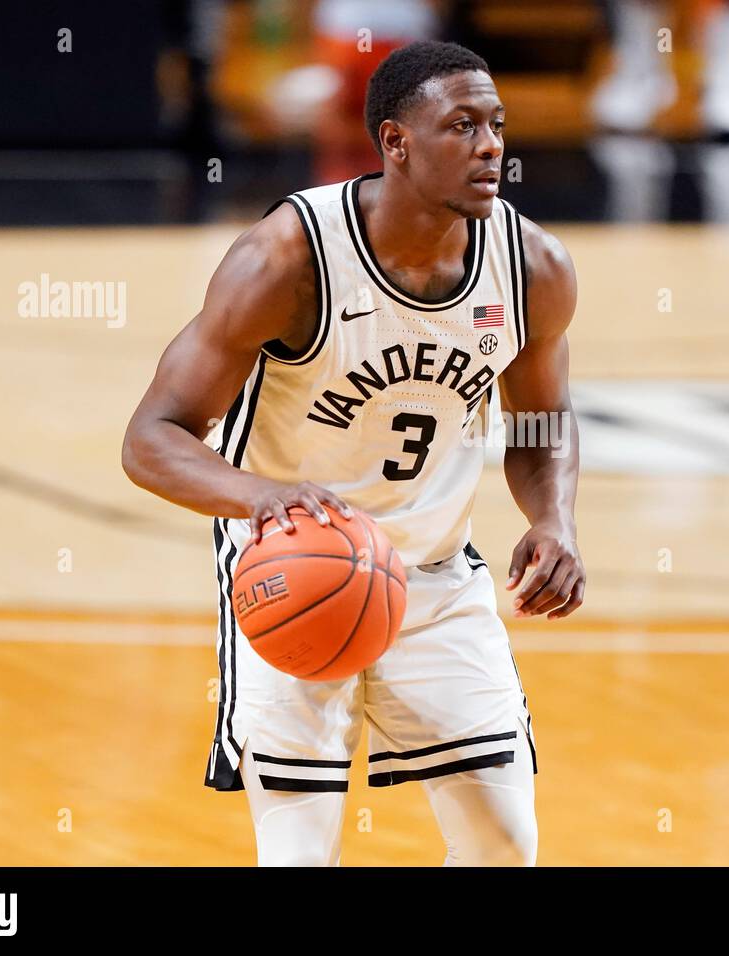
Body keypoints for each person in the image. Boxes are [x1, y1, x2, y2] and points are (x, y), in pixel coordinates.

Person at [121, 40, 585, 866]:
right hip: (291, 568)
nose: (490, 147)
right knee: (300, 856)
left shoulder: (533, 266)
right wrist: (258, 499)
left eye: (497, 127)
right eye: (462, 126)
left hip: (435, 578)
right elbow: (153, 436)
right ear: (395, 143)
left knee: (506, 846)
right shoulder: (287, 259)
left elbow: (543, 423)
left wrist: (553, 518)